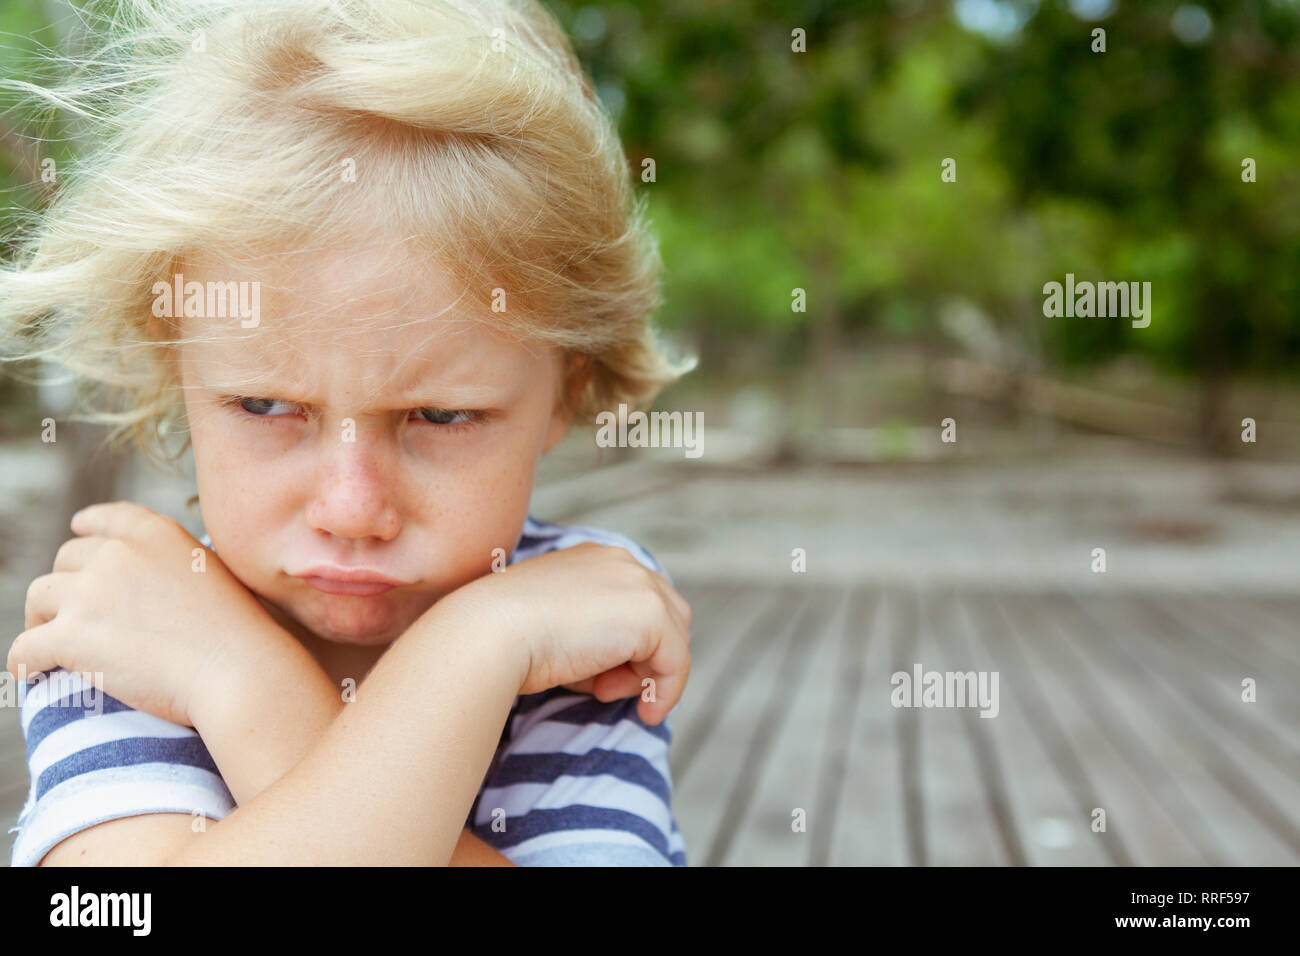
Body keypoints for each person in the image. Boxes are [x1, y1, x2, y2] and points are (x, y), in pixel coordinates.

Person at [1, 0, 694, 866]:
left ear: (566, 389)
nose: (353, 509)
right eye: (265, 406)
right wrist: (461, 660)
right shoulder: (127, 624)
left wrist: (250, 688)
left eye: (441, 416)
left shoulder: (577, 623)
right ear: (179, 367)